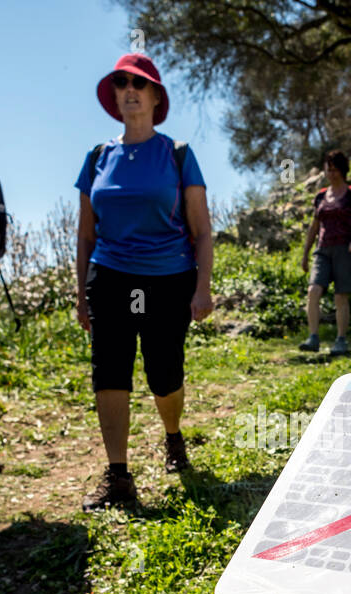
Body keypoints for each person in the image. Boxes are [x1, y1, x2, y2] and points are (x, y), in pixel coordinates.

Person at [74, 53, 214, 510]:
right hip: (110, 275)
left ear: (156, 96)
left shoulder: (177, 155)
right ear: (114, 95)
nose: (129, 90)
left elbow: (202, 230)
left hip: (168, 277)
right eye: (121, 82)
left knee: (163, 373)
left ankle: (173, 436)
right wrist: (81, 293)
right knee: (109, 372)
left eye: (139, 83)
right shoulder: (97, 157)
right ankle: (119, 477)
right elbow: (85, 233)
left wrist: (203, 287)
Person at [299, 150, 351, 356]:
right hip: (322, 250)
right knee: (313, 291)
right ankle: (313, 337)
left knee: (341, 296)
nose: (331, 174)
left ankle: (341, 339)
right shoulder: (321, 196)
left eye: (335, 170)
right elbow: (314, 227)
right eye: (328, 169)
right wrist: (305, 254)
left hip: (345, 249)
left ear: (342, 171)